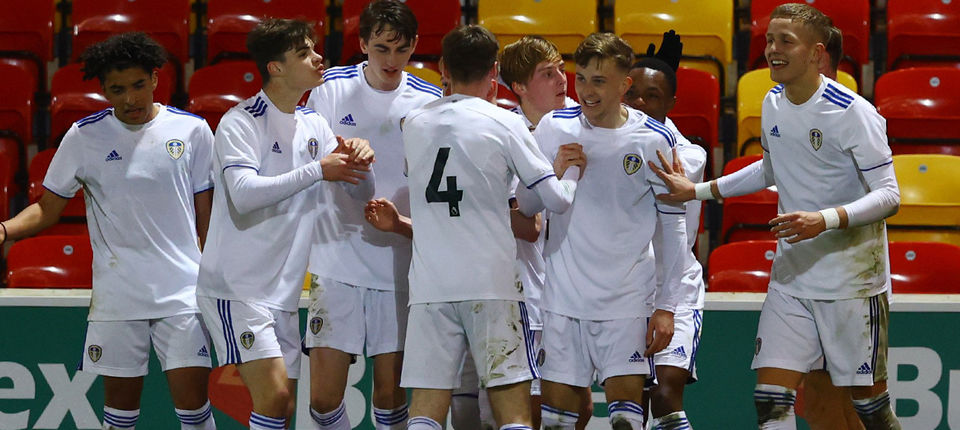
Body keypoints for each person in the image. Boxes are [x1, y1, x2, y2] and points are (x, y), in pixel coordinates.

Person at [650, 4, 902, 429]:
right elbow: (770, 166)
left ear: (816, 53)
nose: (772, 49)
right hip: (792, 279)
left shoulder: (852, 112)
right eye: (769, 40)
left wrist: (825, 219)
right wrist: (698, 191)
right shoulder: (772, 102)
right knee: (771, 400)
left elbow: (890, 195)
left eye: (786, 41)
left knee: (870, 412)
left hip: (853, 283)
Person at [0, 32, 217, 430]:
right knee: (119, 417)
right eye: (117, 90)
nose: (130, 99)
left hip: (183, 293)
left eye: (137, 85)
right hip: (118, 298)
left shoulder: (193, 131)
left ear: (155, 79)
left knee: (194, 411)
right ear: (103, 90)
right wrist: (3, 230)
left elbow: (208, 216)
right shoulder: (84, 137)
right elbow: (47, 209)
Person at [396, 24, 586, 430]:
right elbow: (555, 200)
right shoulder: (504, 122)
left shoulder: (412, 123)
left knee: (426, 410)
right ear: (495, 71)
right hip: (492, 285)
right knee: (512, 412)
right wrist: (571, 175)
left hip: (430, 286)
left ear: (443, 67)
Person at [195, 18, 375, 430]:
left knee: (280, 408)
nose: (317, 57)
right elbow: (243, 195)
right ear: (275, 67)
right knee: (274, 399)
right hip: (237, 288)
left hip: (284, 292)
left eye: (314, 49)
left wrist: (361, 161)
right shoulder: (240, 121)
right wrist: (317, 170)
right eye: (304, 53)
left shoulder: (314, 123)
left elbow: (359, 193)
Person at [523, 32, 690, 430]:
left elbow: (674, 229)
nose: (585, 90)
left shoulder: (655, 138)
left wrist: (667, 307)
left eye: (599, 81)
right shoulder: (552, 128)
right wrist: (552, 173)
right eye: (580, 78)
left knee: (627, 423)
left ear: (624, 85)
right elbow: (526, 206)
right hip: (562, 301)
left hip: (626, 304)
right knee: (557, 425)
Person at [301, 2, 441, 430]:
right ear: (362, 44)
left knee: (390, 395)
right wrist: (344, 156)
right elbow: (311, 162)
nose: (391, 61)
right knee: (323, 402)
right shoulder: (330, 90)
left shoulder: (429, 100)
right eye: (381, 48)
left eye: (401, 50)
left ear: (415, 46)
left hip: (399, 259)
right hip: (336, 255)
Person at [624, 56, 706, 430]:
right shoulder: (608, 145)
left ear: (671, 103)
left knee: (664, 393)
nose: (640, 103)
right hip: (624, 287)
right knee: (629, 404)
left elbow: (651, 173)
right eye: (632, 94)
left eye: (652, 96)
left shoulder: (690, 155)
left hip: (674, 287)